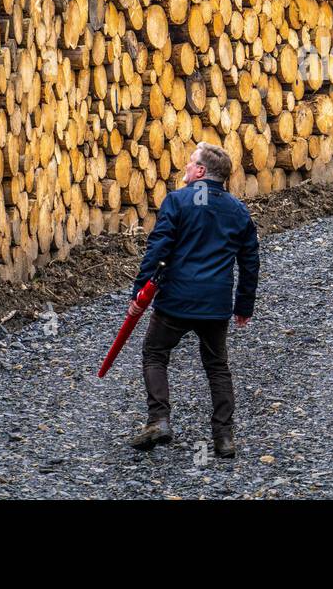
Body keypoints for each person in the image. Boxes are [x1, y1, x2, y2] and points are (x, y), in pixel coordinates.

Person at [130, 142, 260, 458]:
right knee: (217, 366)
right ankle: (224, 438)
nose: (185, 168)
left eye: (190, 163)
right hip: (215, 306)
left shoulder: (177, 202)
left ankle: (159, 419)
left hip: (175, 301)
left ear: (201, 171)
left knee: (155, 353)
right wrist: (243, 305)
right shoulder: (238, 211)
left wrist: (139, 294)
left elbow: (157, 250)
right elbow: (250, 259)